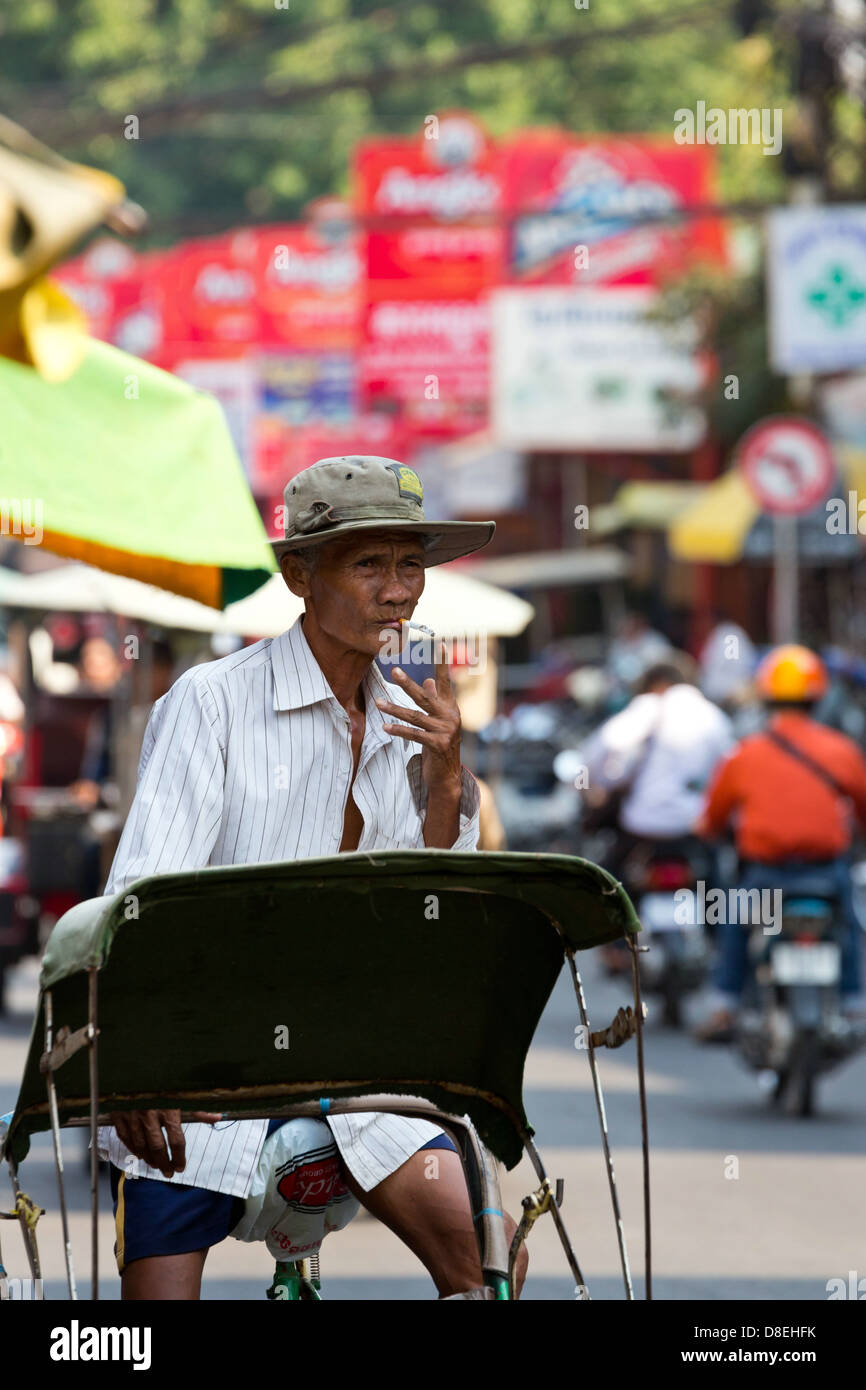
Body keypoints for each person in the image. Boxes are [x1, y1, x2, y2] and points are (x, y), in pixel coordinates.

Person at [97, 454, 528, 1301]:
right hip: (208, 1060)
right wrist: (140, 1066)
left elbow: (438, 894)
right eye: (370, 564)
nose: (400, 590)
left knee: (486, 1258)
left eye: (412, 565)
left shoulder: (417, 715)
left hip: (361, 1062)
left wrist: (449, 773)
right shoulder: (211, 702)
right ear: (300, 574)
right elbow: (142, 899)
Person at [695, 644, 866, 1042]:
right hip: (827, 874)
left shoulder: (746, 754)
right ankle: (854, 1002)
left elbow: (712, 818)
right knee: (849, 923)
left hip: (766, 877)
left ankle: (725, 1005)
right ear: (819, 695)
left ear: (766, 695)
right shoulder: (841, 749)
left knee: (733, 918)